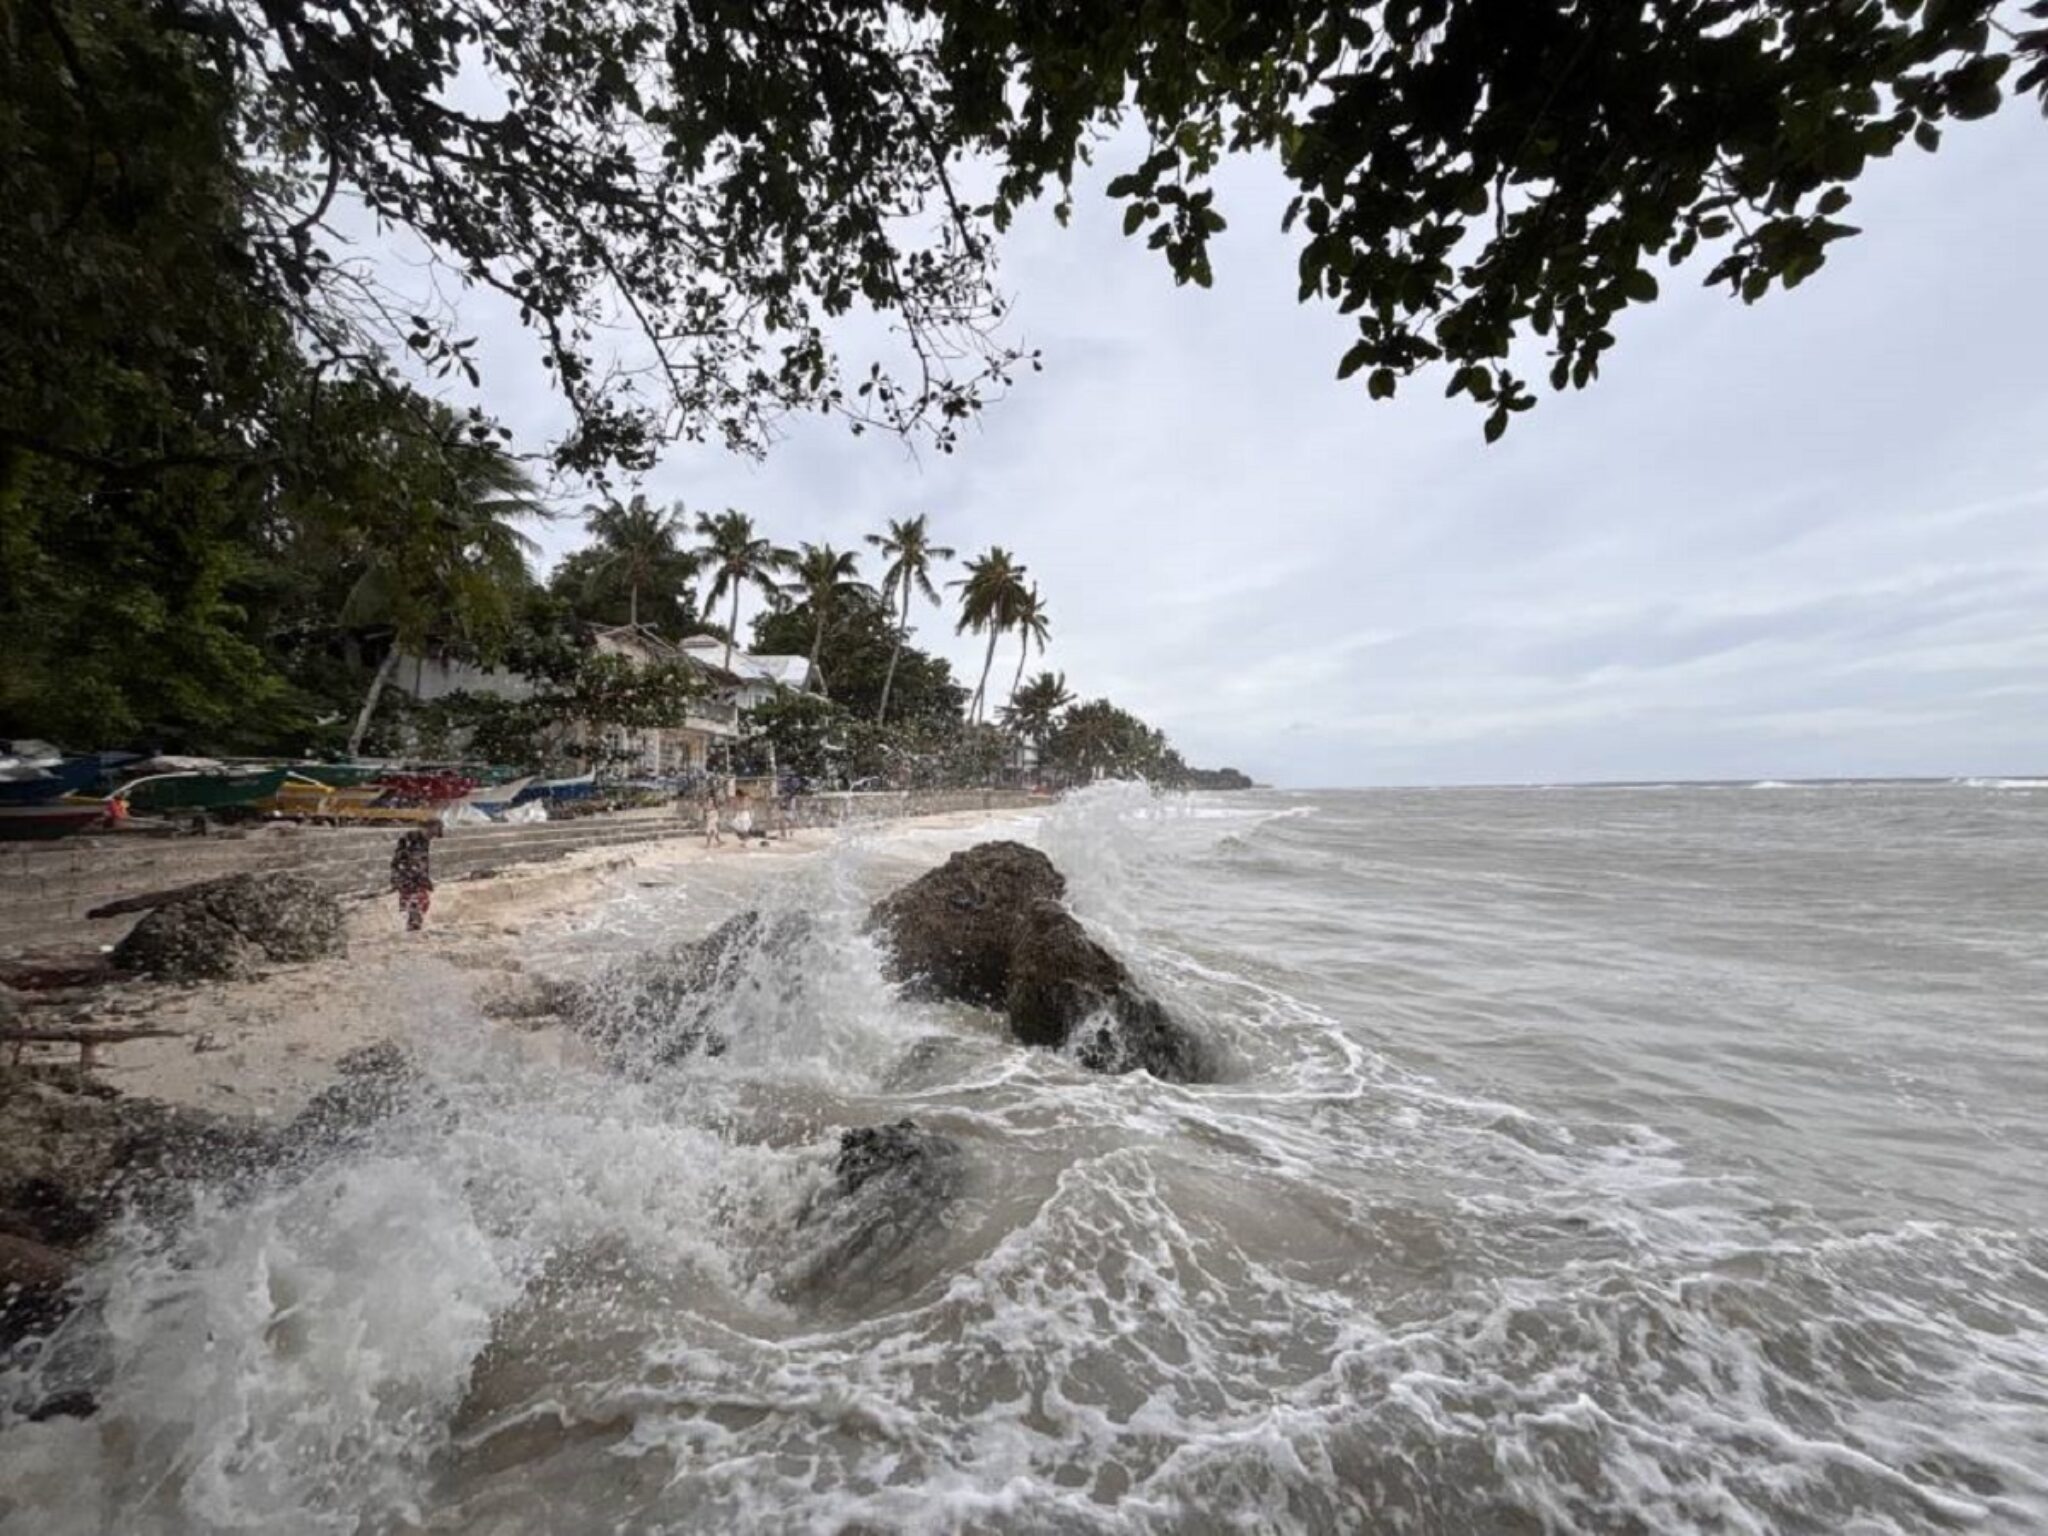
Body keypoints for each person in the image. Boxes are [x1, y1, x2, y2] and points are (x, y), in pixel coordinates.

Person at [391, 819, 442, 932]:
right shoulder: (411, 838)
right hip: (406, 875)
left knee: (420, 901)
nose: (432, 837)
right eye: (432, 833)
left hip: (413, 875)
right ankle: (412, 923)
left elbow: (422, 862)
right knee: (414, 900)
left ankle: (412, 922)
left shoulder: (424, 841)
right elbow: (408, 861)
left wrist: (425, 877)